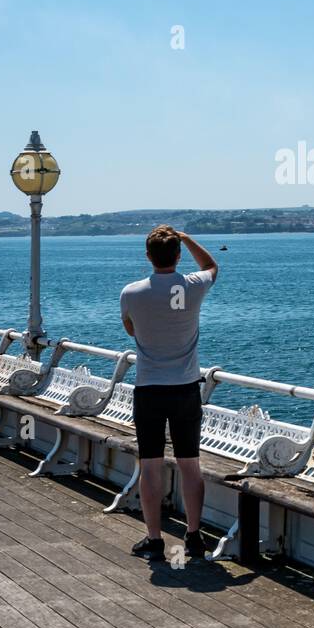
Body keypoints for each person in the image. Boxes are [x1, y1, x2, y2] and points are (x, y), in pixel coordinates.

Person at [120, 225, 218, 561]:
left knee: (150, 465)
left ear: (148, 256)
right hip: (186, 389)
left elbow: (131, 328)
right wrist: (189, 238)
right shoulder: (193, 286)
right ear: (177, 255)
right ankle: (193, 536)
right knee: (190, 464)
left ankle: (154, 540)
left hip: (149, 388)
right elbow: (211, 266)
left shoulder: (131, 292)